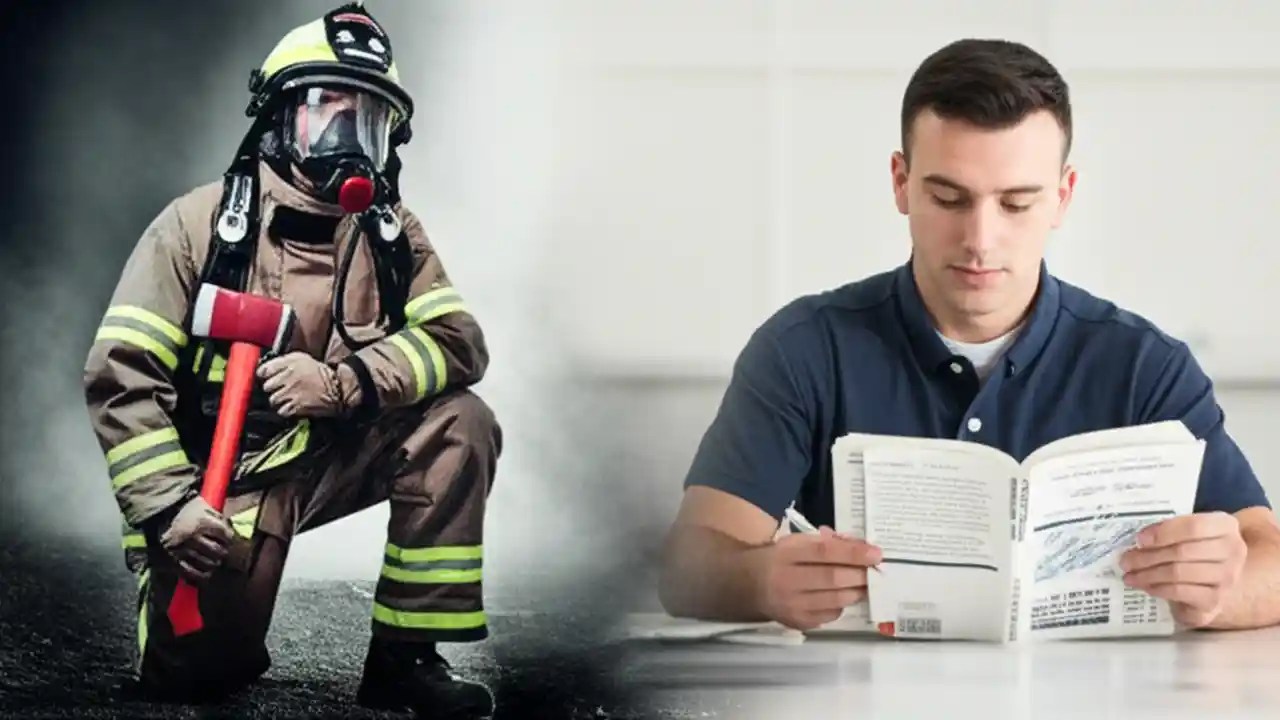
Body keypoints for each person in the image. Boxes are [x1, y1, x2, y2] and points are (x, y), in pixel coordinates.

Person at [658, 38, 1280, 635]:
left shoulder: (1146, 367)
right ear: (901, 183)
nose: (981, 240)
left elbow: (1270, 560)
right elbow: (688, 567)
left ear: (1062, 197)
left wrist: (1224, 586)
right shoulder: (802, 349)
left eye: (1016, 204)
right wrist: (759, 581)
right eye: (949, 198)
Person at [83, 5, 499, 717]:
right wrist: (170, 509)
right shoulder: (197, 226)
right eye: (324, 107)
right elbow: (120, 375)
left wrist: (340, 385)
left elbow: (460, 343)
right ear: (278, 118)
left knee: (462, 422)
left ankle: (405, 658)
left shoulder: (392, 235)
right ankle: (182, 596)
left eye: (366, 117)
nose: (346, 133)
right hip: (226, 479)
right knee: (203, 673)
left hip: (335, 449)